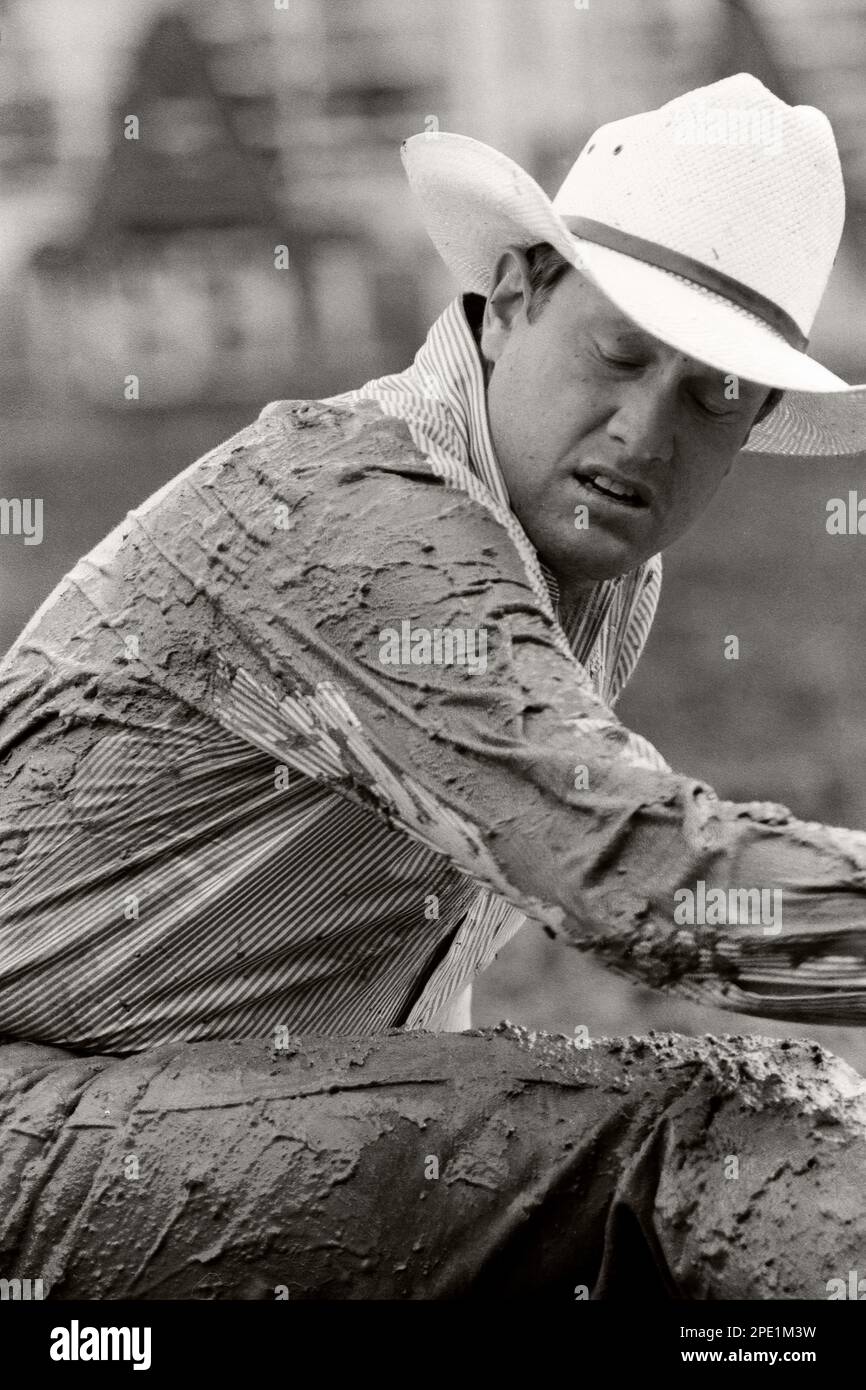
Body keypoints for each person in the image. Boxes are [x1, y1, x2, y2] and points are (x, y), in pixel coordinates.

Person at [2, 73, 866, 1299]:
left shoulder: (582, 555)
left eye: (712, 394)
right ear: (512, 298)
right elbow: (651, 888)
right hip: (34, 1126)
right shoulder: (364, 518)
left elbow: (414, 1020)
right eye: (617, 354)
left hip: (147, 1124)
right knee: (711, 1138)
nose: (642, 430)